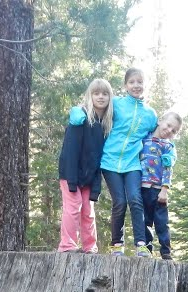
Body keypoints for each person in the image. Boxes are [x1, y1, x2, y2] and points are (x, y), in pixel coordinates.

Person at [101, 68, 160, 256]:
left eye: (140, 82)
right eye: (132, 82)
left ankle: (141, 244)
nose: (136, 85)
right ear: (125, 85)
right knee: (119, 202)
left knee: (136, 199)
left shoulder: (150, 114)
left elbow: (158, 137)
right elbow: (94, 108)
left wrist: (167, 155)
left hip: (133, 163)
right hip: (110, 161)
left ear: (145, 85)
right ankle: (116, 244)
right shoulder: (116, 103)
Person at [57, 79, 113, 253]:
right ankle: (67, 246)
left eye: (105, 94)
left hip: (89, 176)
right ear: (90, 96)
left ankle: (90, 247)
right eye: (96, 93)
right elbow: (70, 150)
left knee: (88, 211)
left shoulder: (105, 123)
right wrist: (72, 179)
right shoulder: (80, 117)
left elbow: (98, 157)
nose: (101, 97)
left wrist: (95, 185)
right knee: (73, 207)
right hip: (71, 173)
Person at [138, 111, 182, 261]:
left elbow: (168, 169)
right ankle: (146, 251)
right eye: (169, 125)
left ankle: (166, 252)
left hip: (158, 190)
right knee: (145, 221)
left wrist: (164, 190)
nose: (169, 130)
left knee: (161, 223)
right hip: (142, 187)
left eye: (174, 130)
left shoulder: (168, 147)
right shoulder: (144, 139)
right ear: (160, 121)